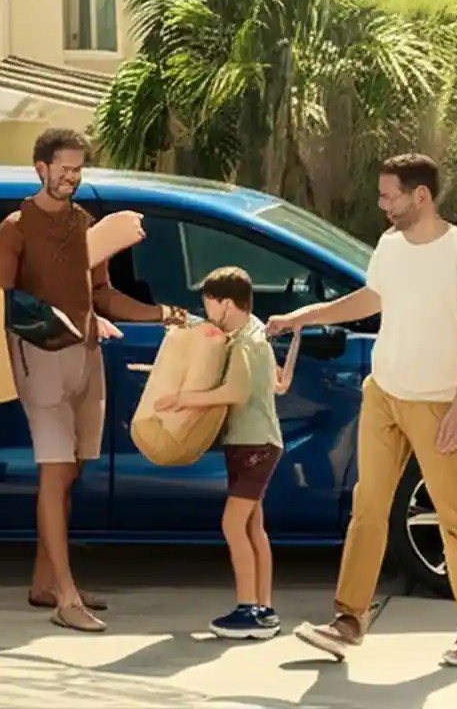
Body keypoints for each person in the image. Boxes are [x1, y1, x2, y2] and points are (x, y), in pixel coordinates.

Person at [272, 153, 457, 666]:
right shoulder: (391, 246)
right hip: (384, 394)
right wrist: (304, 316)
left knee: (454, 516)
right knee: (367, 507)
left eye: (390, 195)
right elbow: (372, 297)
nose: (382, 204)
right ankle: (348, 620)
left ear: (421, 196)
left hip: (439, 402)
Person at [0, 128, 188, 632]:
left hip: (87, 356)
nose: (71, 178)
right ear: (41, 168)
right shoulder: (14, 227)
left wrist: (161, 312)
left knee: (73, 471)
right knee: (55, 475)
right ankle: (66, 597)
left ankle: (44, 582)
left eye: (78, 170)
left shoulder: (86, 224)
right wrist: (48, 320)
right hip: (41, 359)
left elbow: (103, 296)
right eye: (63, 169)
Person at [153, 267, 300, 640]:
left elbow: (234, 392)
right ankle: (263, 609)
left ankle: (248, 610)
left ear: (226, 304)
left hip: (253, 444)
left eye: (209, 304)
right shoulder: (254, 334)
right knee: (252, 527)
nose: (207, 312)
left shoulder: (246, 343)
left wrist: (182, 399)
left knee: (233, 524)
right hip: (255, 442)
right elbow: (280, 385)